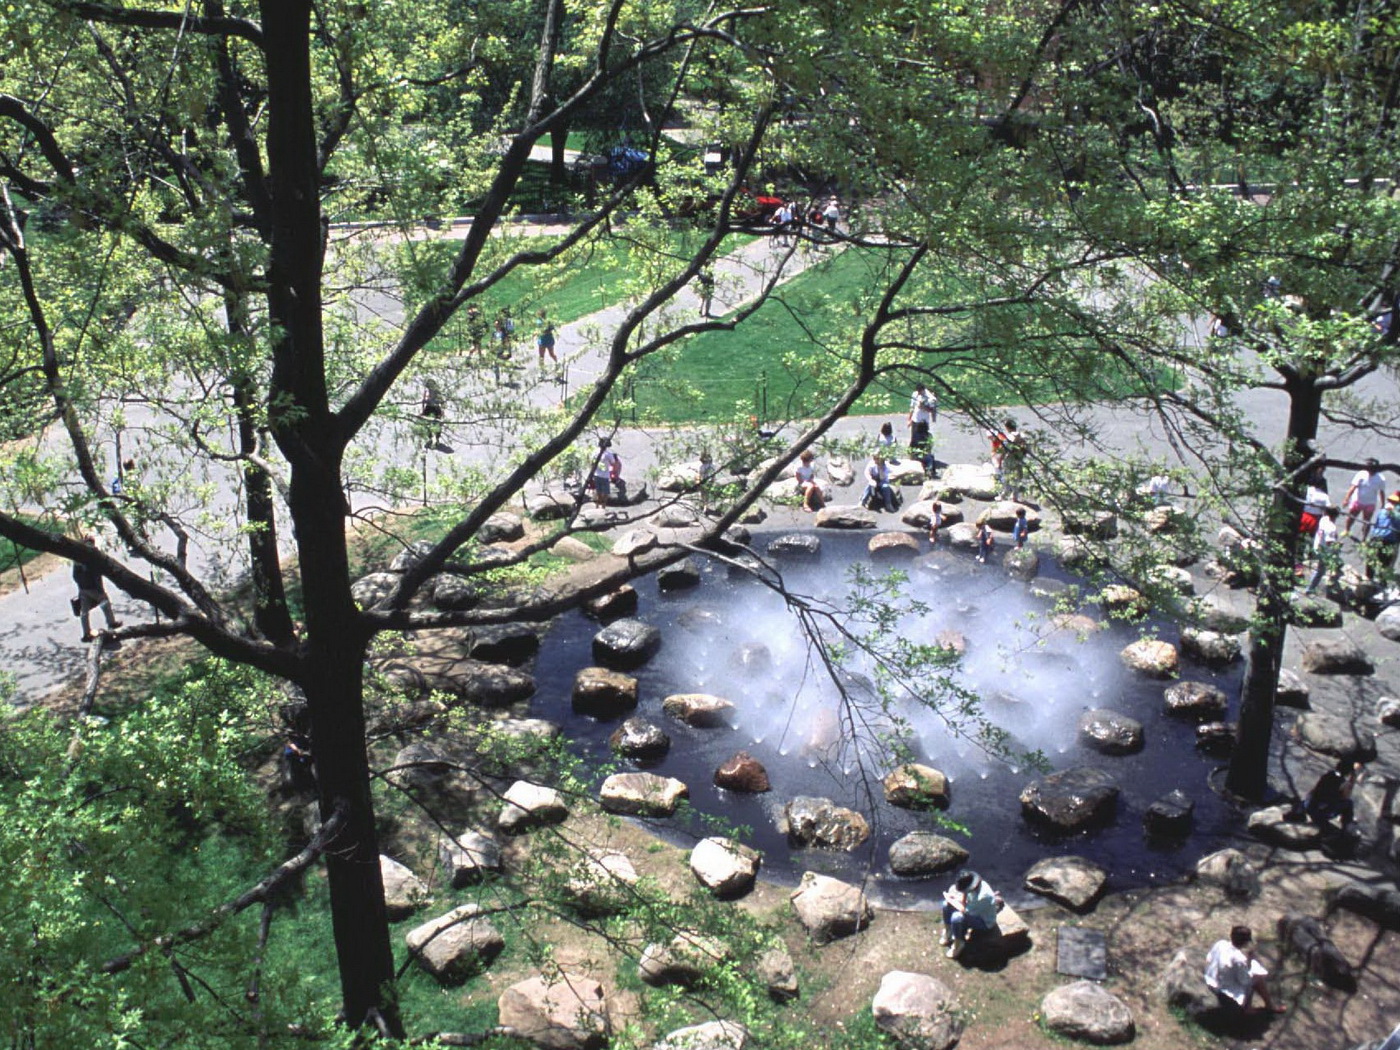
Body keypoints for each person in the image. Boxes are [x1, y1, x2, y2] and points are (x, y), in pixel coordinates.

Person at [1204, 925, 1286, 1014]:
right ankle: (1253, 1007)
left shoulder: (1220, 944)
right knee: (1257, 978)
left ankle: (1263, 1006)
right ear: (1246, 942)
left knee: (1250, 973)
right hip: (1225, 990)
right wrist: (1249, 961)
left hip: (1212, 981)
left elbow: (1209, 958)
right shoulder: (1238, 959)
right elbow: (1244, 981)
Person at [940, 870, 1002, 958]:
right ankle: (948, 932)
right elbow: (965, 899)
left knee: (956, 917)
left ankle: (959, 943)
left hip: (984, 921)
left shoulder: (983, 897)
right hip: (973, 909)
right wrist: (954, 898)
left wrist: (951, 900)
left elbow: (964, 910)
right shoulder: (972, 888)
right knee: (946, 905)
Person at [72, 537, 121, 643]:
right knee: (105, 604)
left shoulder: (77, 559)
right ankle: (111, 623)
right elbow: (96, 575)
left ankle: (86, 633)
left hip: (83, 589)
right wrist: (100, 589)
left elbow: (75, 576)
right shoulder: (91, 557)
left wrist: (81, 585)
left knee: (84, 611)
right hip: (94, 588)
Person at [1306, 757, 1362, 830]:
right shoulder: (1340, 780)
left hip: (1313, 808)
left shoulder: (1328, 775)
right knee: (1348, 803)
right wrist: (1351, 781)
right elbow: (1345, 796)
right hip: (1323, 811)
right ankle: (1346, 826)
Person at [1343, 459, 1386, 540]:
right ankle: (1347, 530)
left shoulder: (1381, 479)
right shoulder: (1361, 474)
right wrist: (1346, 499)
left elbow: (1381, 492)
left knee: (1366, 522)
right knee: (1351, 517)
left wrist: (1383, 504)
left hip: (1370, 503)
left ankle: (1364, 538)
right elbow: (1353, 487)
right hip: (1357, 501)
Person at [1305, 505, 1342, 595]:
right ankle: (1310, 589)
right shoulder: (1331, 528)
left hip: (1317, 545)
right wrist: (1338, 545)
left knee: (1320, 568)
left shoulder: (1323, 519)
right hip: (1323, 550)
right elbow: (1329, 542)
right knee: (1320, 571)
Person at [1364, 491, 1400, 581]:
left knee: (1374, 561)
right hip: (1386, 541)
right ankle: (1376, 580)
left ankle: (1372, 579)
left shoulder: (1383, 512)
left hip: (1378, 539)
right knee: (1382, 563)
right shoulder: (1391, 514)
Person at [907, 382, 937, 475]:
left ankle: (923, 457)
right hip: (915, 420)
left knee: (922, 440)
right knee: (914, 439)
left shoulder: (930, 398)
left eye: (920, 391)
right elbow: (912, 407)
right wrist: (909, 419)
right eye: (918, 391)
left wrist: (923, 407)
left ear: (923, 389)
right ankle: (913, 456)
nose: (919, 393)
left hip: (923, 422)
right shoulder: (915, 394)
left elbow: (932, 410)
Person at [592, 438, 620, 508]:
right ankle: (603, 507)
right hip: (605, 476)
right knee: (606, 493)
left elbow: (592, 462)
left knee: (598, 492)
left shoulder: (595, 452)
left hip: (596, 474)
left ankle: (597, 506)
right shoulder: (608, 454)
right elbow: (613, 463)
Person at [420, 378, 446, 450]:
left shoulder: (437, 391)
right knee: (425, 422)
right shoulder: (426, 391)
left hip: (436, 408)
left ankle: (437, 438)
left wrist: (442, 411)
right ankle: (430, 437)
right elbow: (424, 400)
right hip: (428, 407)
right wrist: (423, 408)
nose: (429, 388)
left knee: (437, 423)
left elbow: (442, 401)